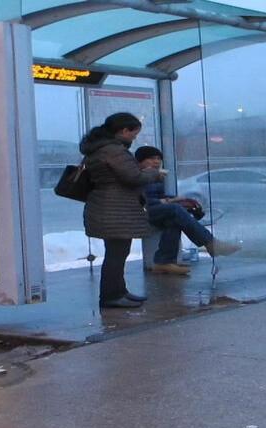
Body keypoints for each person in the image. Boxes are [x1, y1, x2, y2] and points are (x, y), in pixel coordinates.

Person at [80, 112, 163, 309]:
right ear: (124, 130)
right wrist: (153, 173)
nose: (134, 138)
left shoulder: (98, 149)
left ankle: (119, 291)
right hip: (114, 208)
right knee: (116, 255)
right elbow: (133, 177)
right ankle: (111, 296)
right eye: (133, 133)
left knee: (117, 252)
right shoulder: (113, 151)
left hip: (107, 206)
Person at [134, 146, 239, 275]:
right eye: (151, 159)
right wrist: (169, 201)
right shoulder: (137, 177)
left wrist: (180, 201)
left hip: (157, 211)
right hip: (141, 212)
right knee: (174, 210)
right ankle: (210, 243)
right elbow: (143, 201)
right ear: (139, 161)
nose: (156, 162)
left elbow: (164, 197)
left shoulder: (159, 177)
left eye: (158, 159)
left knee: (173, 220)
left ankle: (164, 262)